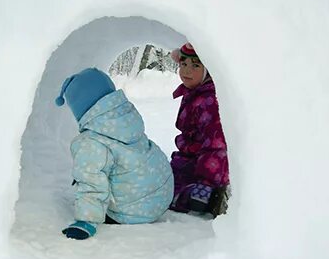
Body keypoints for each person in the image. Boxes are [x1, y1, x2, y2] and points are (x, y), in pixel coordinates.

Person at [55, 67, 174, 240]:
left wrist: (85, 221)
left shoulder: (91, 142)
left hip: (131, 212)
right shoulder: (127, 120)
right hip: (160, 198)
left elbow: (92, 182)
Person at [168, 43, 229, 216]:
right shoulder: (193, 93)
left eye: (195, 65)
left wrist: (205, 184)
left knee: (167, 195)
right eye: (183, 64)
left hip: (203, 169)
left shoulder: (209, 101)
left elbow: (216, 145)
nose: (186, 71)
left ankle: (211, 196)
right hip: (187, 160)